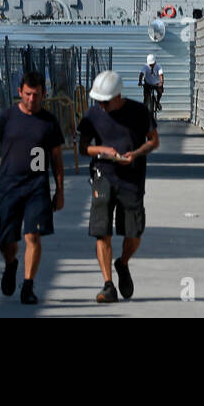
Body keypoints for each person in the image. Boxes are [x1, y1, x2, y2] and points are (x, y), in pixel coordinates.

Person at [0, 71, 64, 305]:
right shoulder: (6, 117)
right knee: (5, 238)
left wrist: (60, 190)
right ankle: (11, 263)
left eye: (36, 94)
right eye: (27, 94)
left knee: (33, 236)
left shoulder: (49, 122)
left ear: (44, 94)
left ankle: (28, 286)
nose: (32, 99)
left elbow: (56, 158)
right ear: (19, 92)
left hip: (37, 187)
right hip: (9, 186)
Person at [78, 71, 159, 303]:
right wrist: (102, 150)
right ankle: (108, 285)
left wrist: (136, 154)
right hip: (103, 175)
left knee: (134, 232)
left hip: (132, 179)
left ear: (118, 96)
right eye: (99, 101)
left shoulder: (139, 112)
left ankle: (122, 263)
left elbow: (154, 140)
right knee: (101, 231)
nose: (102, 105)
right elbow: (83, 148)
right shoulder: (93, 115)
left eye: (105, 101)